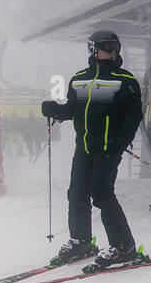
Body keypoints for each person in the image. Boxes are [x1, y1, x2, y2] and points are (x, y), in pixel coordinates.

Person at [41, 29, 145, 269]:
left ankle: (123, 247)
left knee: (101, 193)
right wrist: (54, 109)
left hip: (108, 149)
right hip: (84, 148)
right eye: (107, 47)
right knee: (76, 193)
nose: (112, 52)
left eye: (115, 47)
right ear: (93, 49)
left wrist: (119, 144)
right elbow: (72, 111)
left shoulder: (125, 81)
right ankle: (81, 241)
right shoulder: (79, 79)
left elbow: (133, 117)